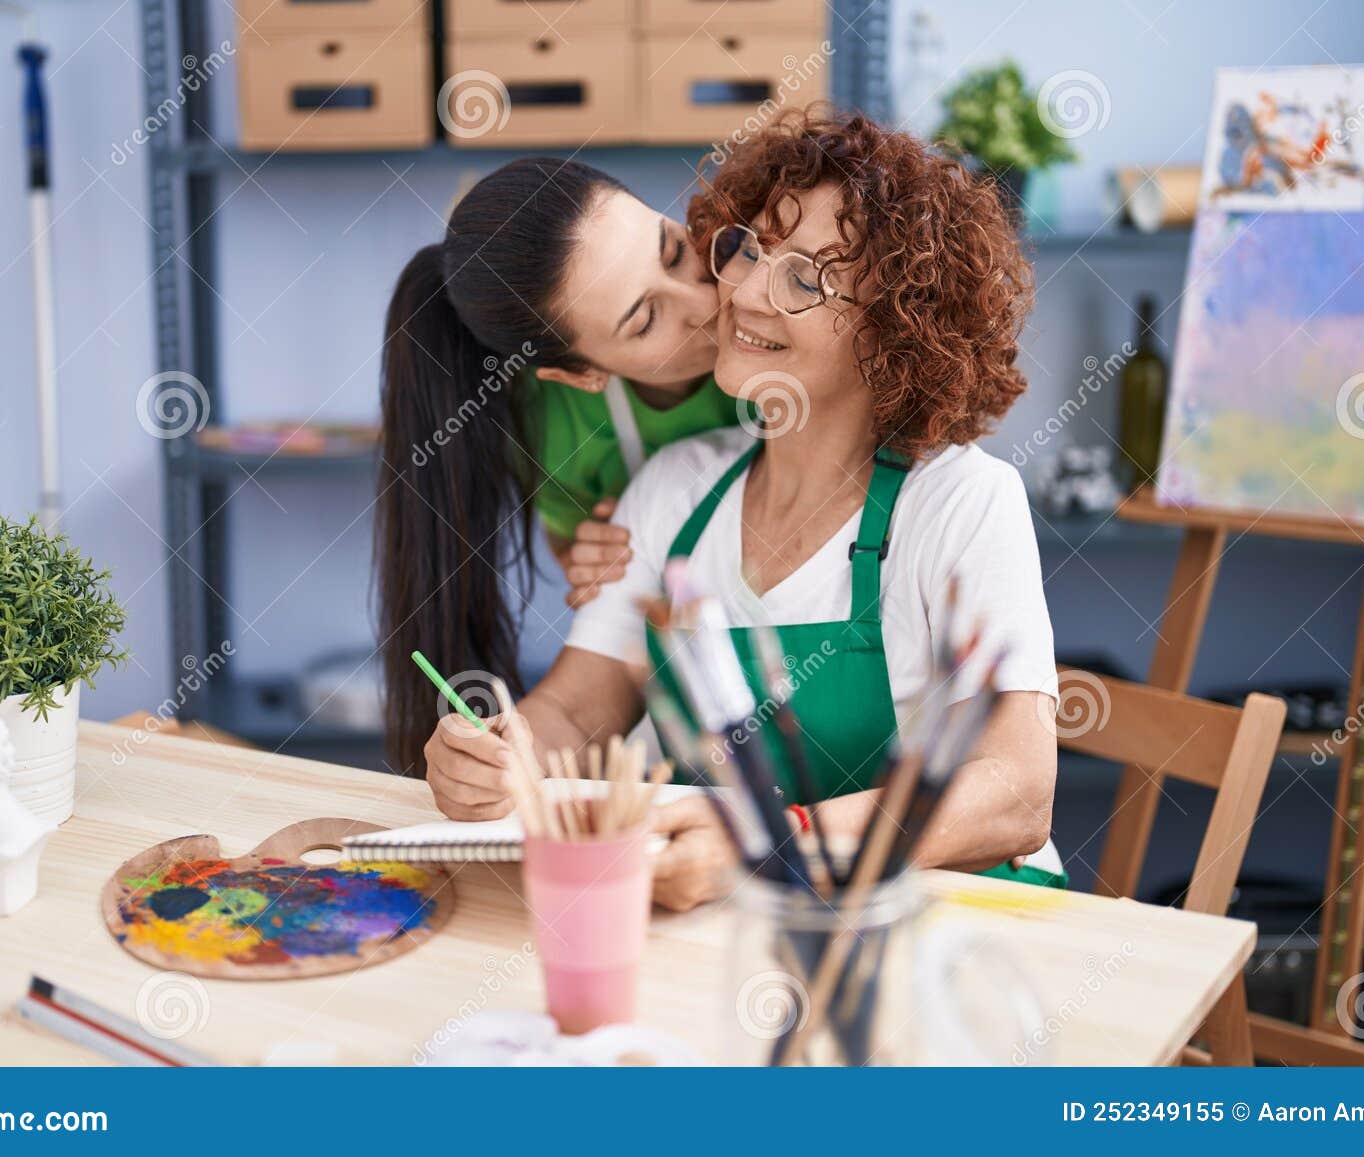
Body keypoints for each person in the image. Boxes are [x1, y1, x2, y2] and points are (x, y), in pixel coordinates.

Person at [421, 110, 1063, 909]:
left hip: (949, 937)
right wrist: (506, 752)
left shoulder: (962, 502)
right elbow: (585, 702)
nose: (742, 291)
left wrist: (764, 842)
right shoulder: (672, 488)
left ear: (896, 323)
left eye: (804, 278)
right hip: (751, 933)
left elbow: (1014, 789)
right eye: (750, 249)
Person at [378, 158, 750, 775]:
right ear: (578, 373)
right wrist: (589, 555)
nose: (707, 302)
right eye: (646, 319)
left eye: (675, 250)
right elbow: (575, 553)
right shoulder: (554, 425)